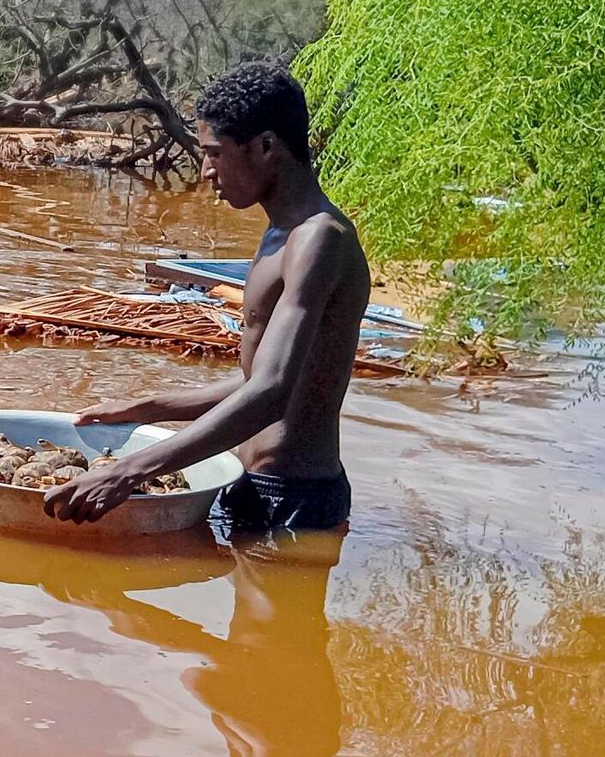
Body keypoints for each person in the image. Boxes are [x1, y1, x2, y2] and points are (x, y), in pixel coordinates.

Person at [45, 61, 369, 533]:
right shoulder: (279, 235)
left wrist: (128, 471)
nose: (206, 172)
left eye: (215, 153)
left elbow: (272, 392)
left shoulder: (319, 239)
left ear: (265, 147)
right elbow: (261, 377)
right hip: (250, 481)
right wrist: (149, 409)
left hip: (296, 496)